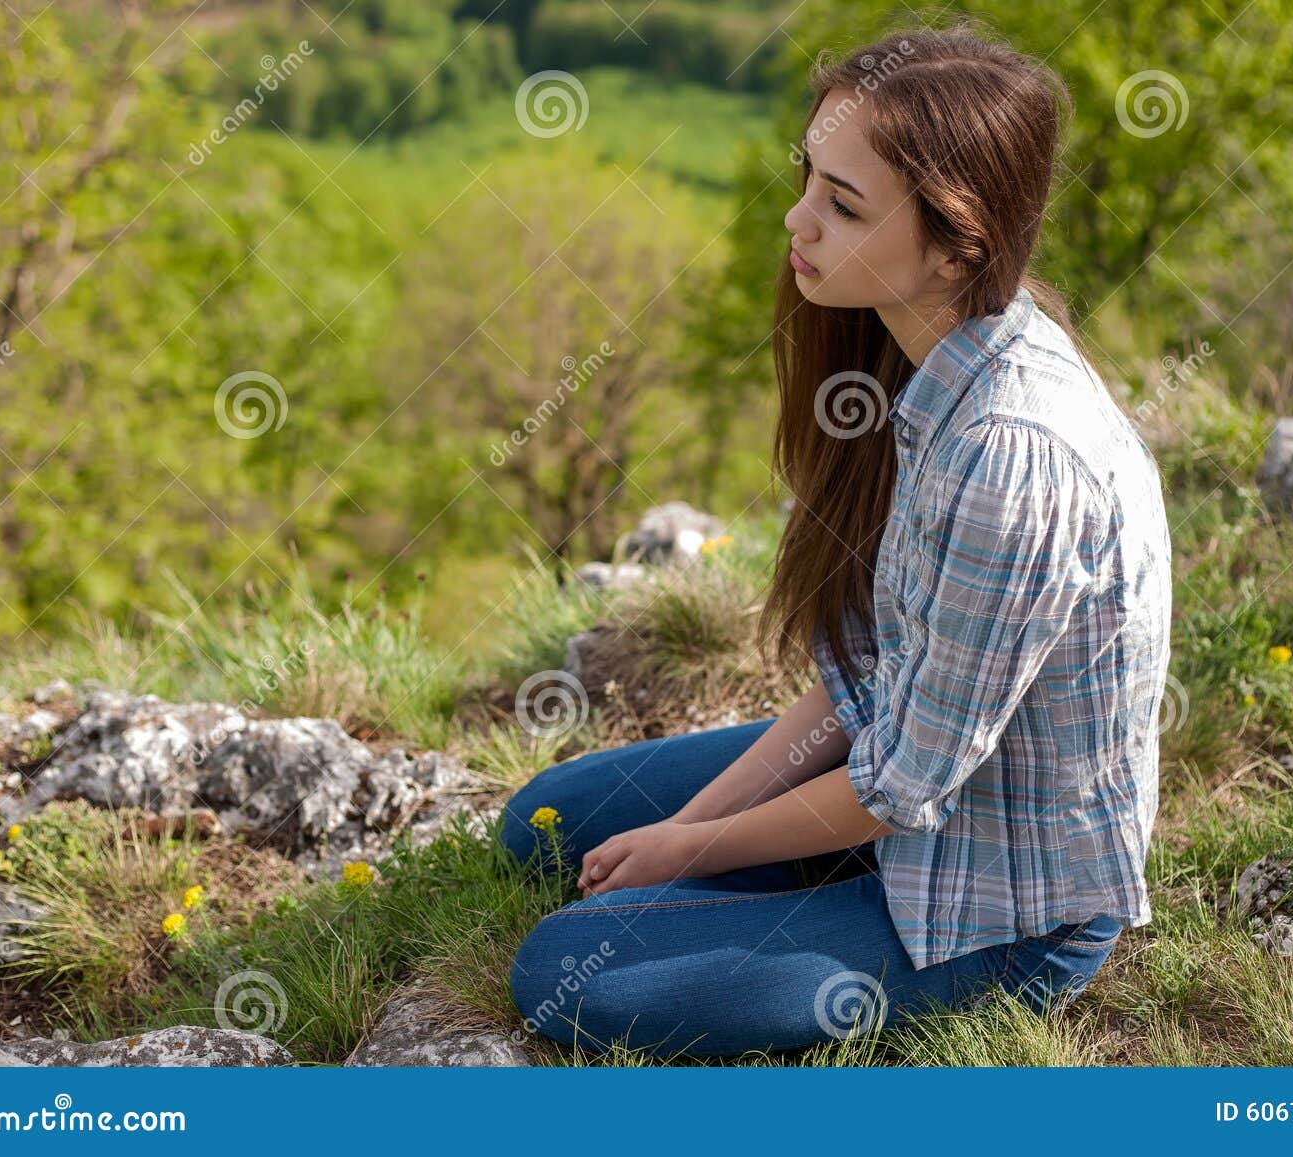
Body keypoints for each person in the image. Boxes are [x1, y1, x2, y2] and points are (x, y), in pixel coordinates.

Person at [500, 19, 1172, 1060]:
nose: (795, 218)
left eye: (842, 204)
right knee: (543, 828)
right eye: (808, 176)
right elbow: (868, 673)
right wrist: (688, 842)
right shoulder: (918, 355)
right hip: (901, 779)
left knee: (560, 969)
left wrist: (689, 846)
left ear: (961, 241)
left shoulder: (1012, 457)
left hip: (996, 902)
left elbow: (899, 787)